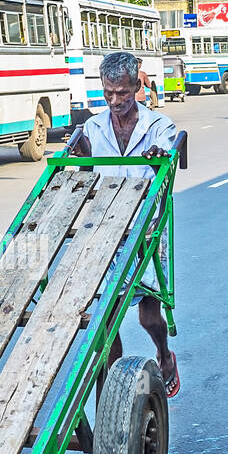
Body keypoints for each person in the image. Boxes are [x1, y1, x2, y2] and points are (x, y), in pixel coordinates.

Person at [68, 51, 180, 398]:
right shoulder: (92, 127)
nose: (115, 101)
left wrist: (162, 156)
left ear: (137, 87)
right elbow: (85, 172)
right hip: (107, 230)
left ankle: (164, 354)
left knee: (148, 318)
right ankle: (111, 399)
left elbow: (169, 152)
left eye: (123, 93)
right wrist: (78, 157)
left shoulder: (159, 126)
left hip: (146, 230)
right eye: (109, 93)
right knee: (107, 318)